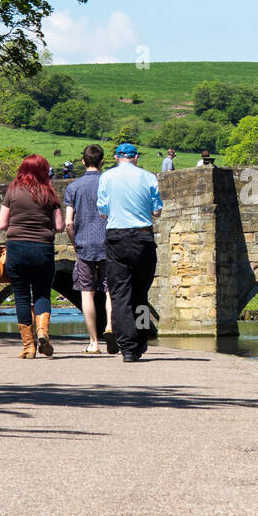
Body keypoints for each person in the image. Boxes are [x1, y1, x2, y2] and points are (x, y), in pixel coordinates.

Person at [96, 143, 162, 362]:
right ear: (136, 158)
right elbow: (157, 210)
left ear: (117, 157)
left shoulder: (106, 178)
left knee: (120, 295)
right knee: (141, 294)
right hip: (143, 238)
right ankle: (142, 339)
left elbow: (102, 211)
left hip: (116, 238)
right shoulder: (149, 177)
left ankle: (128, 347)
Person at [0, 153, 63, 359]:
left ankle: (29, 347)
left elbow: (2, 224)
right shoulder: (50, 194)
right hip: (42, 249)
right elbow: (60, 226)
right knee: (42, 294)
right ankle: (42, 331)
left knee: (21, 297)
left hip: (16, 249)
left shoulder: (12, 191)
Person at [64, 144, 113, 355]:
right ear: (102, 161)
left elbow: (68, 222)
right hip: (108, 244)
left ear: (83, 162)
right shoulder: (110, 184)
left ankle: (94, 342)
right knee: (111, 290)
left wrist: (75, 243)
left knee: (87, 292)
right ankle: (111, 327)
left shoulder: (73, 187)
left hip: (84, 245)